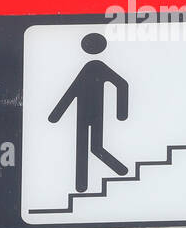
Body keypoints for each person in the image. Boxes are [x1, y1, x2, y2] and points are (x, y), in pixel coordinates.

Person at [48, 33, 129, 193]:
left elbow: (121, 85)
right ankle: (83, 184)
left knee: (93, 147)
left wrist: (121, 112)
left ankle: (116, 172)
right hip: (85, 113)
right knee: (86, 147)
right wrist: (56, 115)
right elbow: (73, 91)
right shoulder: (93, 67)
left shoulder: (95, 67)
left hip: (93, 113)